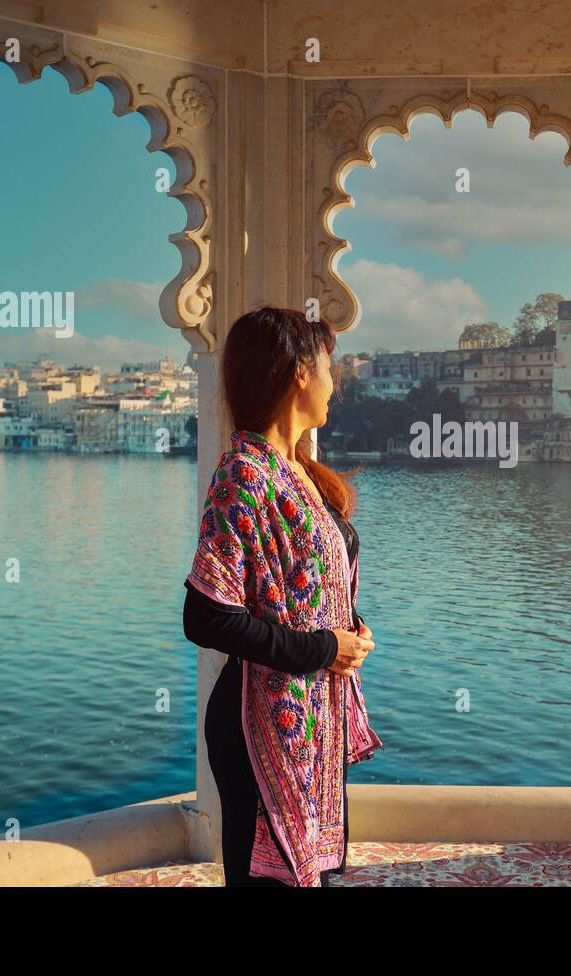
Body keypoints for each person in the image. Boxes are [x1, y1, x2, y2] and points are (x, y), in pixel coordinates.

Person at [183, 306, 382, 887]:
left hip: (311, 718)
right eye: (327, 367)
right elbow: (207, 616)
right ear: (298, 371)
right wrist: (323, 647)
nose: (333, 383)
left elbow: (311, 589)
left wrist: (350, 631)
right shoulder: (244, 475)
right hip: (258, 721)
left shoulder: (297, 472)